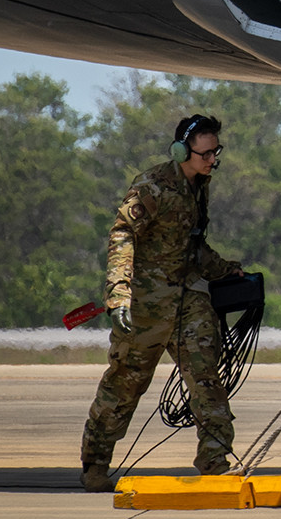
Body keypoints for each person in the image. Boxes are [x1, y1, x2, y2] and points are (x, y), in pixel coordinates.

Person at [78, 113, 250, 491]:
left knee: (206, 378)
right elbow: (123, 235)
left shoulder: (199, 187)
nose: (212, 160)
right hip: (147, 304)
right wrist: (119, 293)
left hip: (188, 298)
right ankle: (95, 463)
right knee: (125, 383)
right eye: (205, 153)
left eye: (216, 152)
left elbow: (193, 246)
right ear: (180, 151)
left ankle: (215, 460)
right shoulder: (152, 186)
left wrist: (227, 271)